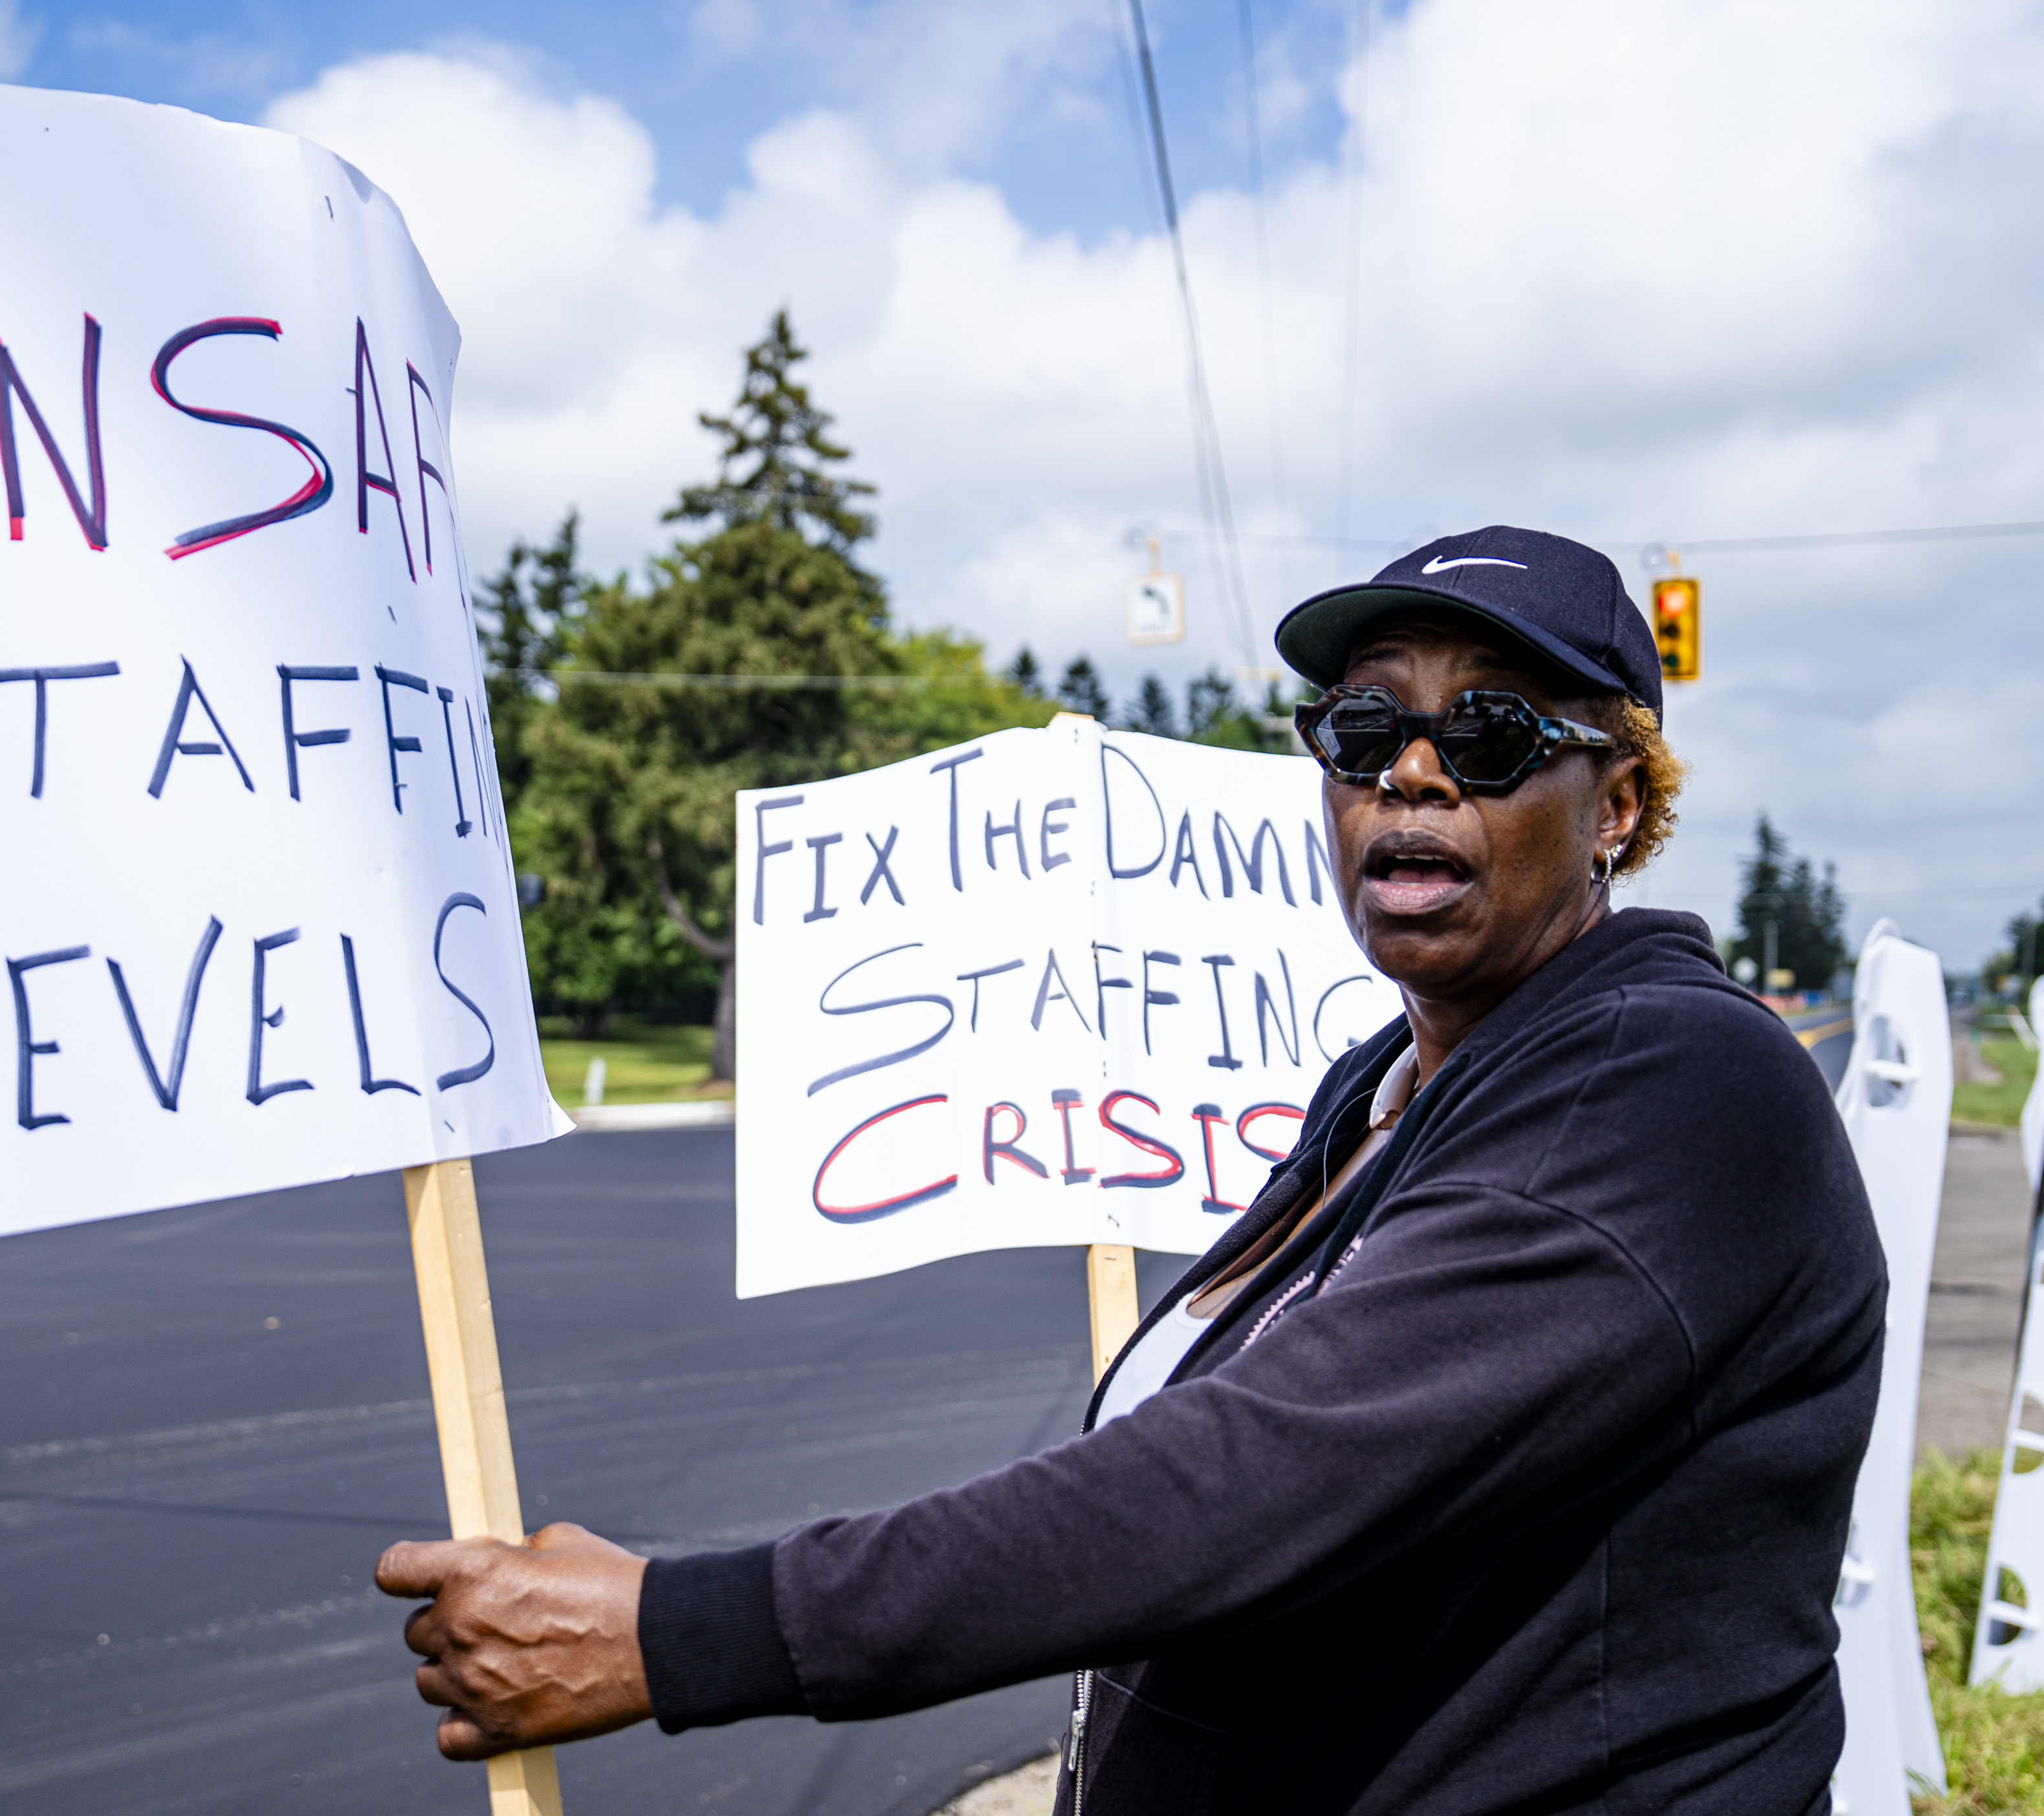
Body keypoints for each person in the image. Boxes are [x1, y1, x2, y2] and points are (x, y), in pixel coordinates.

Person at [375, 526, 1885, 1815]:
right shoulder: (1388, 1080)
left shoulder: (1672, 1084)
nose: (1410, 774)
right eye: (1362, 730)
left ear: (1614, 804)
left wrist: (678, 1628)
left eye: (1485, 734)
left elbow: (1249, 1479)